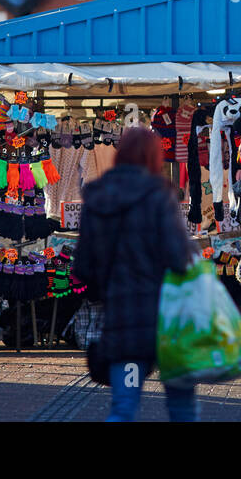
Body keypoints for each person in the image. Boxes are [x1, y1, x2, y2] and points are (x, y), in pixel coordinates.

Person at [73, 126, 197, 421]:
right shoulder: (160, 196)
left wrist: (108, 287)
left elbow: (82, 267)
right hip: (168, 323)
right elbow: (179, 259)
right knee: (181, 408)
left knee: (124, 407)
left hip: (123, 320)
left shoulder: (97, 199)